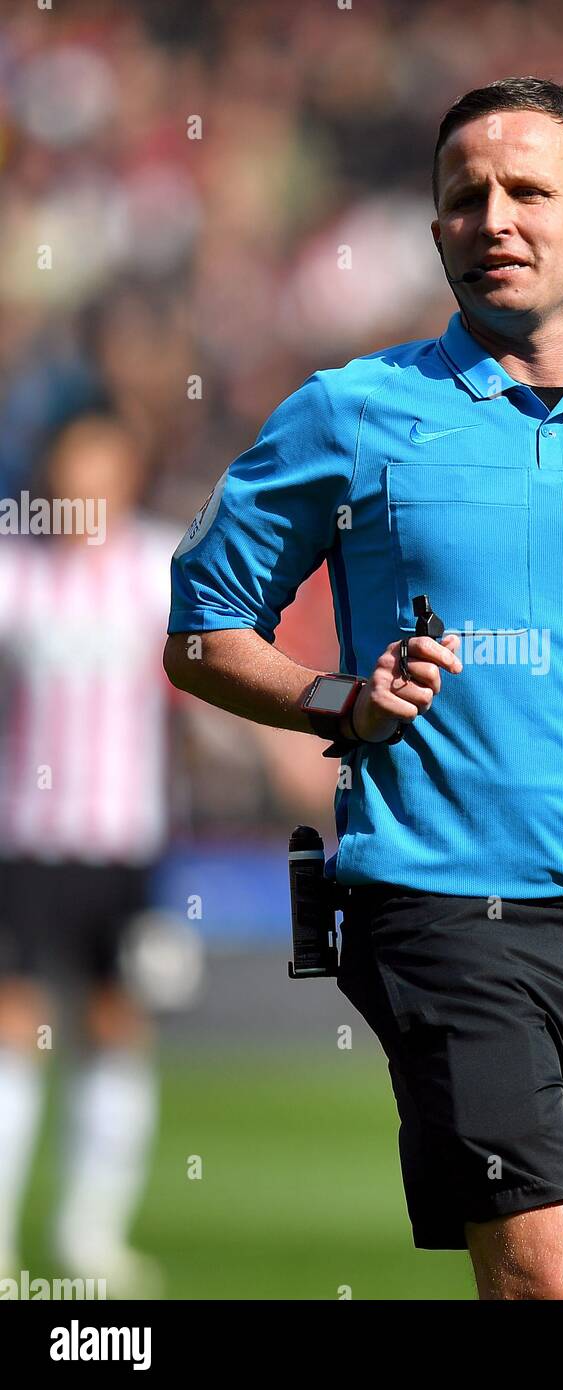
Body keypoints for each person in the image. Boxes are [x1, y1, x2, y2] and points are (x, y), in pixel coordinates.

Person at [164, 76, 563, 1301]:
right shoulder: (350, 414)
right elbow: (200, 632)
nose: (494, 218)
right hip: (434, 903)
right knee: (545, 1277)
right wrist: (337, 704)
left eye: (527, 191)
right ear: (435, 234)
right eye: (465, 198)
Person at [0, 414, 180, 1298]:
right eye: (70, 468)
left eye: (103, 466)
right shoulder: (14, 575)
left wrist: (288, 742)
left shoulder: (155, 569)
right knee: (13, 1029)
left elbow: (208, 674)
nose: (84, 488)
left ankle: (90, 1238)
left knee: (115, 1027)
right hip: (25, 840)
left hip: (125, 842)